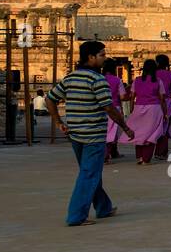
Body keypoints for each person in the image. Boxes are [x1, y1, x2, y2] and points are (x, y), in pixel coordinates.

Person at [46, 40, 133, 227]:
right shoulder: (97, 80)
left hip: (76, 134)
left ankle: (103, 207)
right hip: (93, 135)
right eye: (101, 55)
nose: (104, 58)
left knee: (90, 172)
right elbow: (109, 107)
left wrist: (58, 122)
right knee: (89, 174)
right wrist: (125, 127)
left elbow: (50, 99)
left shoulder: (70, 78)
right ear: (91, 57)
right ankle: (76, 216)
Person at [120, 58, 167, 165]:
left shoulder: (137, 80)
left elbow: (132, 96)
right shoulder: (158, 81)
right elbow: (162, 99)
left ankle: (140, 157)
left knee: (139, 133)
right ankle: (146, 158)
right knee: (151, 134)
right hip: (154, 109)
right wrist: (165, 113)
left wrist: (132, 109)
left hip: (139, 108)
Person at [102, 58, 126, 161]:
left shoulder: (99, 78)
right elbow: (122, 97)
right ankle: (107, 154)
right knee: (111, 131)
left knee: (103, 131)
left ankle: (113, 152)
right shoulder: (117, 80)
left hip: (100, 108)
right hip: (114, 107)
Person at [154, 54, 171, 160]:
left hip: (154, 103)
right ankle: (162, 152)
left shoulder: (153, 74)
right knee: (165, 127)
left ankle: (156, 151)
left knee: (155, 127)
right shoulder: (170, 74)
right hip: (167, 102)